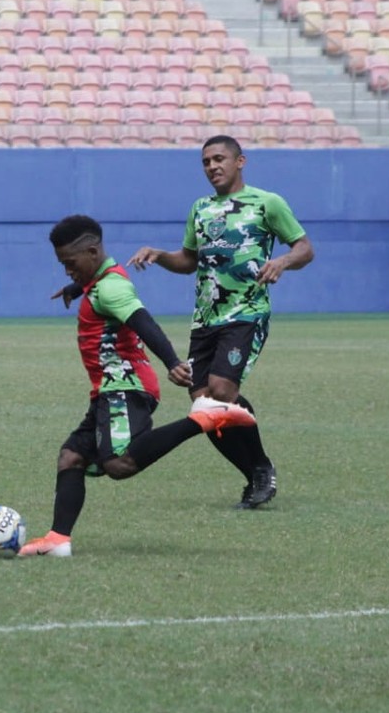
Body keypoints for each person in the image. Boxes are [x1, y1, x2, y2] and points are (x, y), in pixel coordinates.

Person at [19, 215, 257, 558]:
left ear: (92, 251)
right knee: (71, 457)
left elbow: (141, 320)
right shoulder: (99, 280)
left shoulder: (111, 287)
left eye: (70, 264)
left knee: (119, 464)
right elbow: (97, 287)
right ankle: (58, 539)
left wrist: (173, 362)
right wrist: (77, 287)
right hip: (107, 389)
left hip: (124, 388)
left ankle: (205, 417)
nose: (67, 271)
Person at [127, 135, 314, 509]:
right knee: (204, 407)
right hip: (204, 319)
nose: (212, 166)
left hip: (246, 312)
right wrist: (161, 255)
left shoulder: (267, 203)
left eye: (219, 159)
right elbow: (189, 260)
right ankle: (256, 472)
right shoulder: (200, 209)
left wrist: (281, 262)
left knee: (222, 391)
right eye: (206, 162)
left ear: (240, 161)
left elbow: (304, 248)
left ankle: (260, 467)